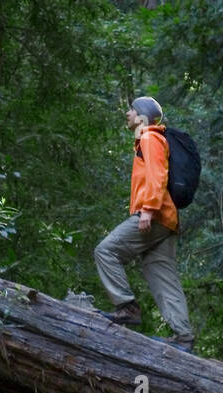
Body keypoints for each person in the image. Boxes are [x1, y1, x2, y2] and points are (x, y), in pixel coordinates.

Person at [94, 96, 194, 353]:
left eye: (131, 110)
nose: (127, 114)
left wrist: (148, 210)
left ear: (142, 116)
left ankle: (126, 307)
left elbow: (157, 175)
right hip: (167, 219)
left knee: (106, 251)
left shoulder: (149, 138)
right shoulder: (151, 140)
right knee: (163, 277)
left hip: (155, 214)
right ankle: (183, 337)